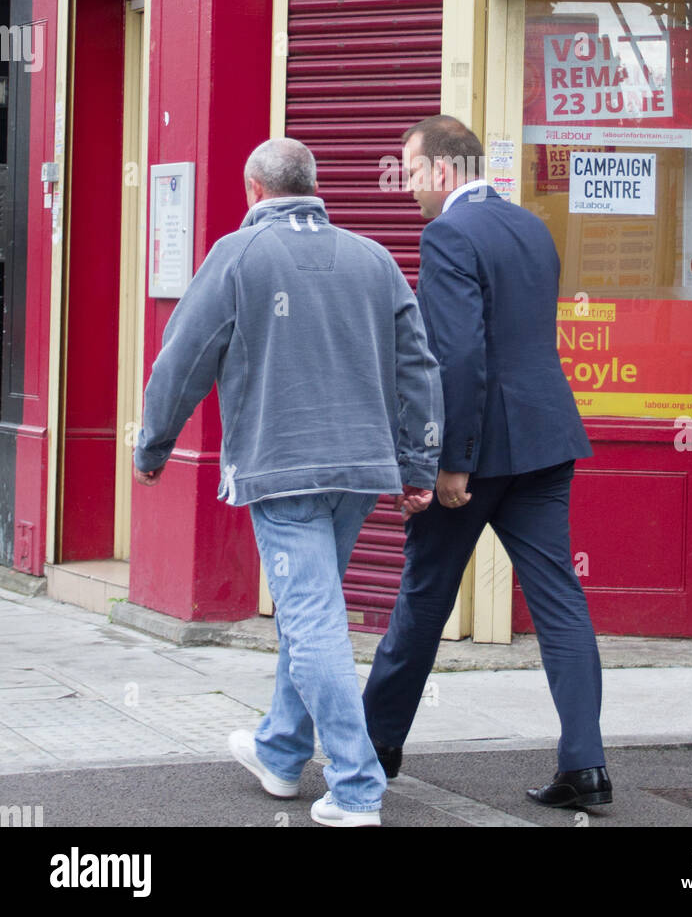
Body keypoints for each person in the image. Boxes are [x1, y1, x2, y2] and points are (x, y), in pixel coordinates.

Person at [133, 138, 443, 827]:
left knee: (310, 619)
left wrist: (153, 445)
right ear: (314, 185)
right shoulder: (374, 258)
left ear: (253, 189)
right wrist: (418, 465)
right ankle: (279, 751)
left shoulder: (237, 257)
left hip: (282, 469)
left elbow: (181, 360)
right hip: (360, 471)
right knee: (316, 610)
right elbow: (419, 368)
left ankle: (357, 785)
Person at [363, 115, 611, 810]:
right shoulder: (534, 227)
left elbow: (460, 357)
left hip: (481, 453)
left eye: (411, 175)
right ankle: (585, 765)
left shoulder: (447, 234)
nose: (408, 190)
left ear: (444, 171)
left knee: (423, 596)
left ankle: (374, 748)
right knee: (560, 598)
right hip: (547, 440)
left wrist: (450, 463)